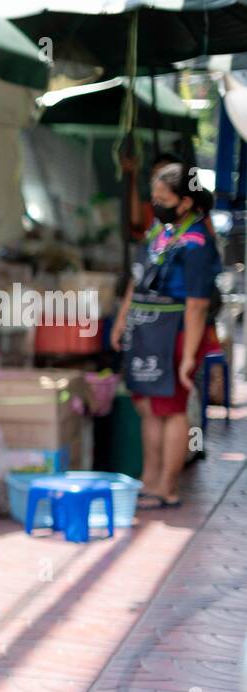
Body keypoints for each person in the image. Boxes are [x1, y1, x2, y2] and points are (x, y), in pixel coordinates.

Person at [110, 161, 222, 510]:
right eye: (154, 197)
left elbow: (197, 305)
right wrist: (122, 320)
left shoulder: (197, 242)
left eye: (163, 198)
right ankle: (150, 479)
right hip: (146, 330)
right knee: (148, 407)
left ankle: (168, 487)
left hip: (176, 333)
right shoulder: (160, 229)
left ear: (185, 202)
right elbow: (137, 278)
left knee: (171, 409)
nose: (156, 204)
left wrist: (189, 356)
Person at [125, 150, 183, 240]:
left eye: (165, 177)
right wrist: (133, 176)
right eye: (155, 177)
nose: (158, 183)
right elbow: (136, 221)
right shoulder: (150, 209)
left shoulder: (192, 211)